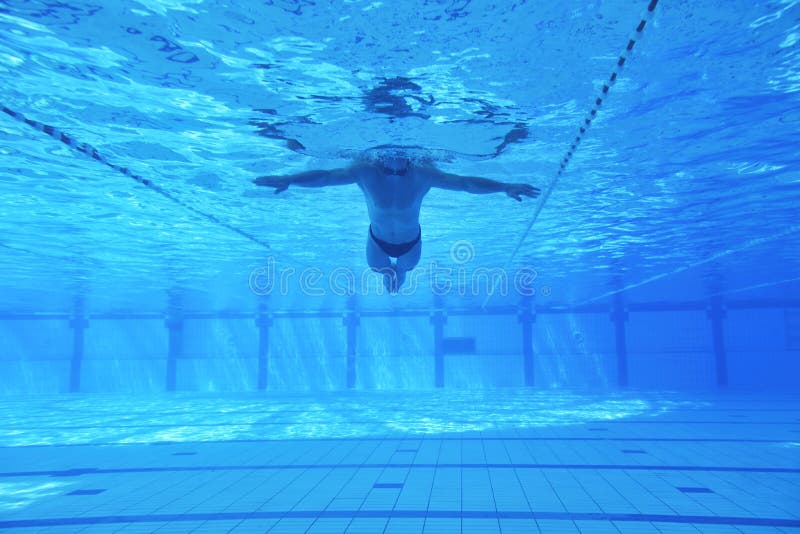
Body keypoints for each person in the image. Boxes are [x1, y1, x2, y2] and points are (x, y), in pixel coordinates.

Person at [254, 154, 540, 293]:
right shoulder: (364, 171)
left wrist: (504, 186)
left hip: (409, 243)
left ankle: (399, 276)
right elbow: (327, 177)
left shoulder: (423, 174)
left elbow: (465, 184)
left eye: (400, 158)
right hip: (378, 240)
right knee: (380, 270)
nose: (394, 161)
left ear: (408, 158)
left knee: (401, 271)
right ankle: (392, 277)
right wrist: (290, 179)